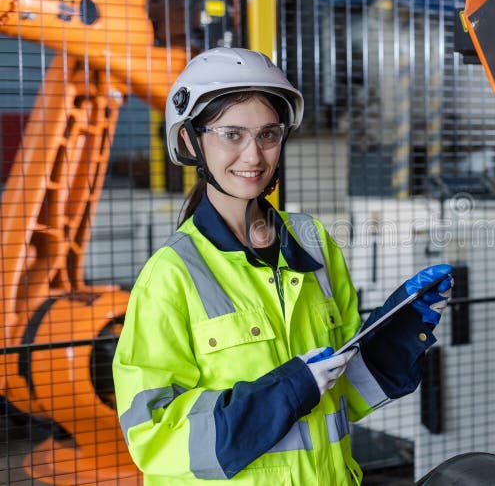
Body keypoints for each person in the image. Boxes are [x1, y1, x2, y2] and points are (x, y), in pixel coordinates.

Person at [112, 47, 453, 485]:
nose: (253, 156)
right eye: (231, 134)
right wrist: (286, 391)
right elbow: (153, 436)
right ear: (189, 141)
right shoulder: (171, 275)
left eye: (268, 134)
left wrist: (394, 337)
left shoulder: (313, 242)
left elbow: (342, 394)